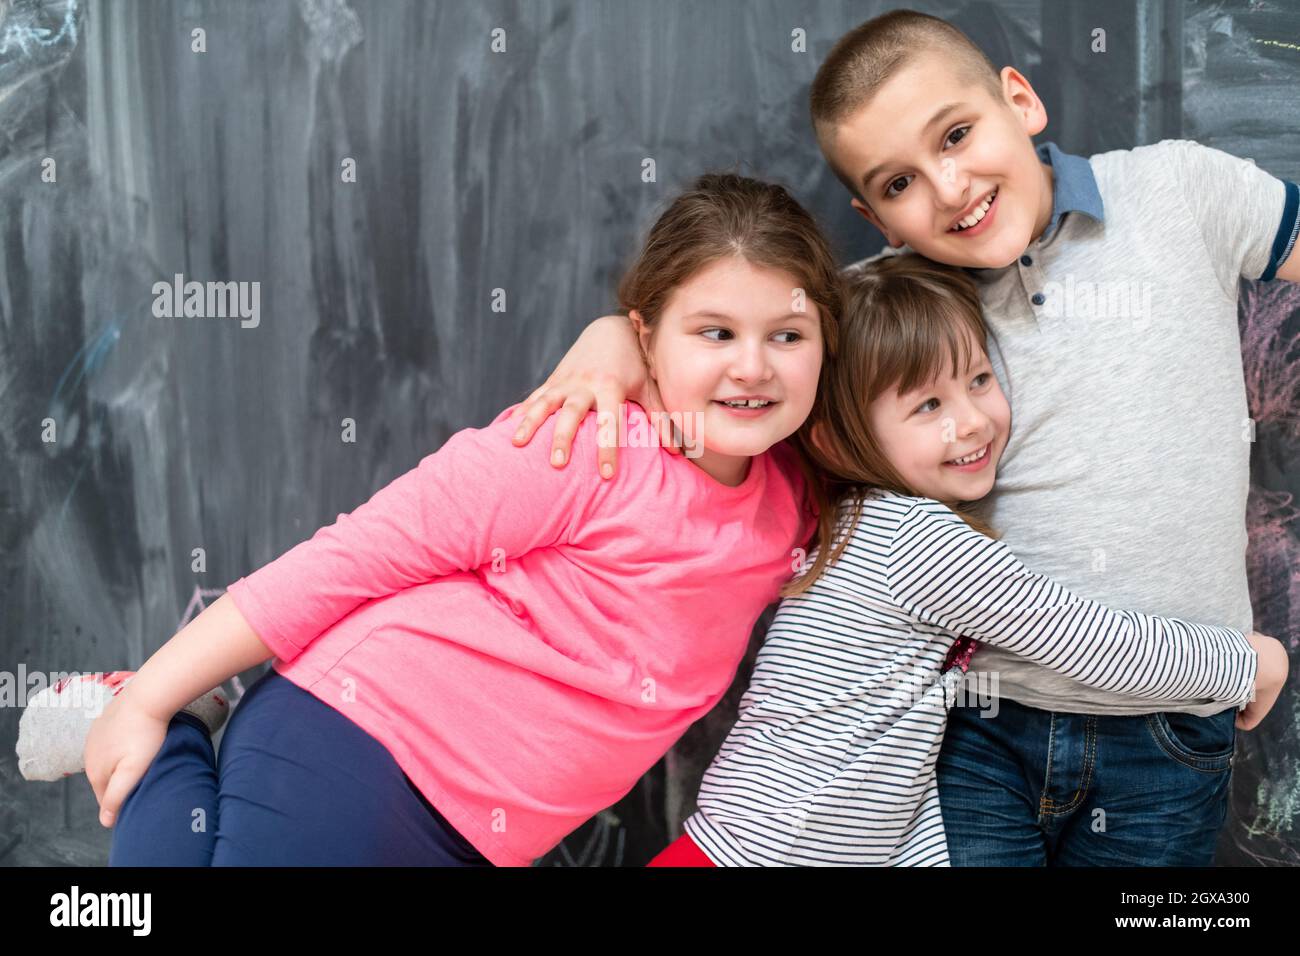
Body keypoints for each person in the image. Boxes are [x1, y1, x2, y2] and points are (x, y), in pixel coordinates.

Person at [505, 10, 1298, 865]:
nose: (949, 189)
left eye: (956, 135)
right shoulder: (875, 317)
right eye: (898, 183)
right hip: (980, 728)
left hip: (1171, 726)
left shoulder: (1179, 189)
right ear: (875, 217)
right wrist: (614, 340)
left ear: (1020, 101)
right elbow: (728, 343)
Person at [81, 171, 841, 866]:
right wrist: (150, 698)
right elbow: (351, 556)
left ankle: (171, 725)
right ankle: (156, 716)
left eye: (787, 334)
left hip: (481, 840)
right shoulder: (582, 444)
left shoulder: (797, 499)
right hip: (358, 741)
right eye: (715, 332)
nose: (752, 366)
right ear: (646, 337)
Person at [645, 253, 1285, 866]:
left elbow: (895, 764)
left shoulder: (851, 521)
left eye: (979, 379)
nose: (972, 421)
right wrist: (1243, 664)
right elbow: (1085, 639)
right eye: (928, 406)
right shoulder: (913, 537)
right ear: (838, 442)